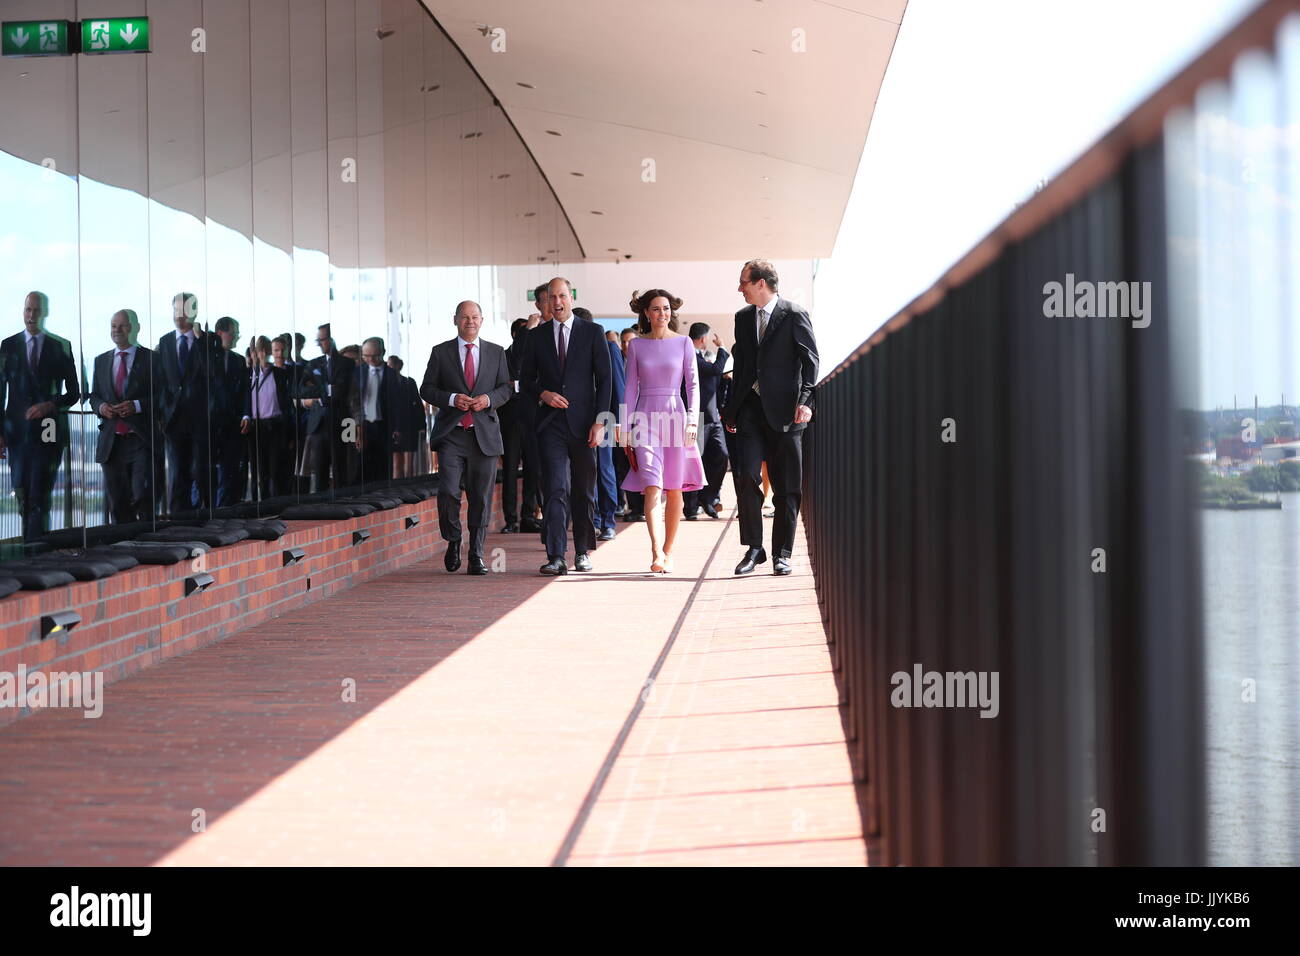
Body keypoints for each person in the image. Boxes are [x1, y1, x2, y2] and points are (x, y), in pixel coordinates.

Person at [721, 259, 819, 576]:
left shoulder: (794, 314)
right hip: (750, 408)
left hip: (788, 411)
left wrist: (806, 401)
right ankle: (754, 549)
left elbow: (811, 361)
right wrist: (732, 409)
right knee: (746, 476)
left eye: (744, 282)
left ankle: (782, 553)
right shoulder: (742, 318)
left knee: (786, 486)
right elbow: (745, 366)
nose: (740, 289)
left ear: (761, 283)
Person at [519, 277, 611, 575]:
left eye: (562, 296)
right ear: (544, 303)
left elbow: (605, 380)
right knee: (555, 488)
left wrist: (600, 422)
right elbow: (526, 381)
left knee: (583, 490)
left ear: (570, 298)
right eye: (551, 298)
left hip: (586, 424)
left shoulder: (593, 333)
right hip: (551, 425)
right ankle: (556, 554)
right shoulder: (536, 337)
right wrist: (543, 393)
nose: (557, 303)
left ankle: (582, 551)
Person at [420, 300, 513, 576]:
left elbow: (506, 389)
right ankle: (453, 539)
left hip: (483, 435)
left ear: (482, 321)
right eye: (464, 317)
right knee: (448, 490)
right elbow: (426, 388)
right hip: (452, 434)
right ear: (455, 320)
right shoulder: (441, 352)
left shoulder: (496, 353)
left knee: (480, 497)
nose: (469, 321)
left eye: (474, 317)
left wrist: (488, 399)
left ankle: (476, 554)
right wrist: (450, 399)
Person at [617, 289, 704, 574]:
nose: (662, 314)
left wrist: (693, 421)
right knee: (652, 486)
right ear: (646, 313)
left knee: (674, 488)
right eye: (656, 309)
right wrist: (623, 424)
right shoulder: (638, 346)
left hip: (676, 418)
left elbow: (692, 385)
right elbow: (630, 387)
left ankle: (668, 551)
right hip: (644, 419)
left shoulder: (684, 343)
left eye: (666, 308)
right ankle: (655, 551)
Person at [0, 292, 79, 540]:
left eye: (36, 310)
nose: (31, 315)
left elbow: (74, 393)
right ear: (23, 312)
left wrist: (50, 405)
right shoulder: (8, 346)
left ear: (45, 312)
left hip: (48, 426)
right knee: (21, 490)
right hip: (17, 431)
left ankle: (33, 549)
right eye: (27, 310)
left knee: (38, 491)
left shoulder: (60, 346)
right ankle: (32, 543)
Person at [90, 309, 159, 523]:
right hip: (112, 443)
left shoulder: (152, 359)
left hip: (140, 439)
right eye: (113, 326)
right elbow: (94, 396)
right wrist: (102, 408)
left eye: (123, 325)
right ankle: (123, 547)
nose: (117, 330)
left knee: (142, 497)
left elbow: (165, 397)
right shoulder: (100, 360)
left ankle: (148, 546)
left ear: (136, 328)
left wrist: (137, 406)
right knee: (117, 503)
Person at [157, 292, 220, 514]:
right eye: (176, 310)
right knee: (176, 474)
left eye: (184, 310)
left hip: (200, 418)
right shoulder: (164, 342)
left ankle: (207, 517)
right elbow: (161, 381)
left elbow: (214, 373)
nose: (179, 315)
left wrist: (201, 340)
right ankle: (177, 522)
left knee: (201, 471)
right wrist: (161, 414)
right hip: (173, 420)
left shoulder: (209, 340)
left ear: (194, 312)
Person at [683, 323, 730, 520]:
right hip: (697, 417)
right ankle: (691, 507)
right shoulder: (691, 356)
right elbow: (715, 370)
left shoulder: (701, 356)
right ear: (703, 339)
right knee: (693, 461)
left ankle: (708, 497)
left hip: (713, 416)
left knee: (721, 455)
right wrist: (723, 349)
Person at [241, 335, 293, 499]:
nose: (261, 354)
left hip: (275, 425)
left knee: (274, 469)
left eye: (264, 350)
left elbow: (287, 403)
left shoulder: (280, 373)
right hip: (255, 427)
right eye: (258, 350)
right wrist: (246, 416)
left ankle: (274, 503)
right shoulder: (249, 375)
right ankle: (259, 504)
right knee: (258, 470)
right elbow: (244, 400)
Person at [350, 336, 402, 485]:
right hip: (363, 424)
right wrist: (356, 428)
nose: (370, 360)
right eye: (366, 356)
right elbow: (353, 402)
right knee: (362, 466)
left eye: (374, 356)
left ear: (383, 352)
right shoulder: (357, 373)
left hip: (383, 425)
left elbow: (397, 404)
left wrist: (397, 428)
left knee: (383, 466)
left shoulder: (392, 375)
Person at [212, 316, 248, 506]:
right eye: (233, 333)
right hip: (210, 425)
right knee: (205, 472)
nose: (236, 337)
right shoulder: (206, 358)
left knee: (229, 471)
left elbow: (244, 392)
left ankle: (223, 511)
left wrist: (246, 414)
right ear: (220, 334)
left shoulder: (239, 361)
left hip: (233, 425)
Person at [386, 355, 422, 479]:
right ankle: (398, 488)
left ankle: (409, 486)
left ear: (398, 366)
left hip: (409, 424)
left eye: (391, 364)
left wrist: (421, 425)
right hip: (393, 424)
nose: (389, 367)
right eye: (388, 365)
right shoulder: (385, 383)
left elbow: (418, 404)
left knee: (409, 459)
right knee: (396, 460)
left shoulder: (409, 381)